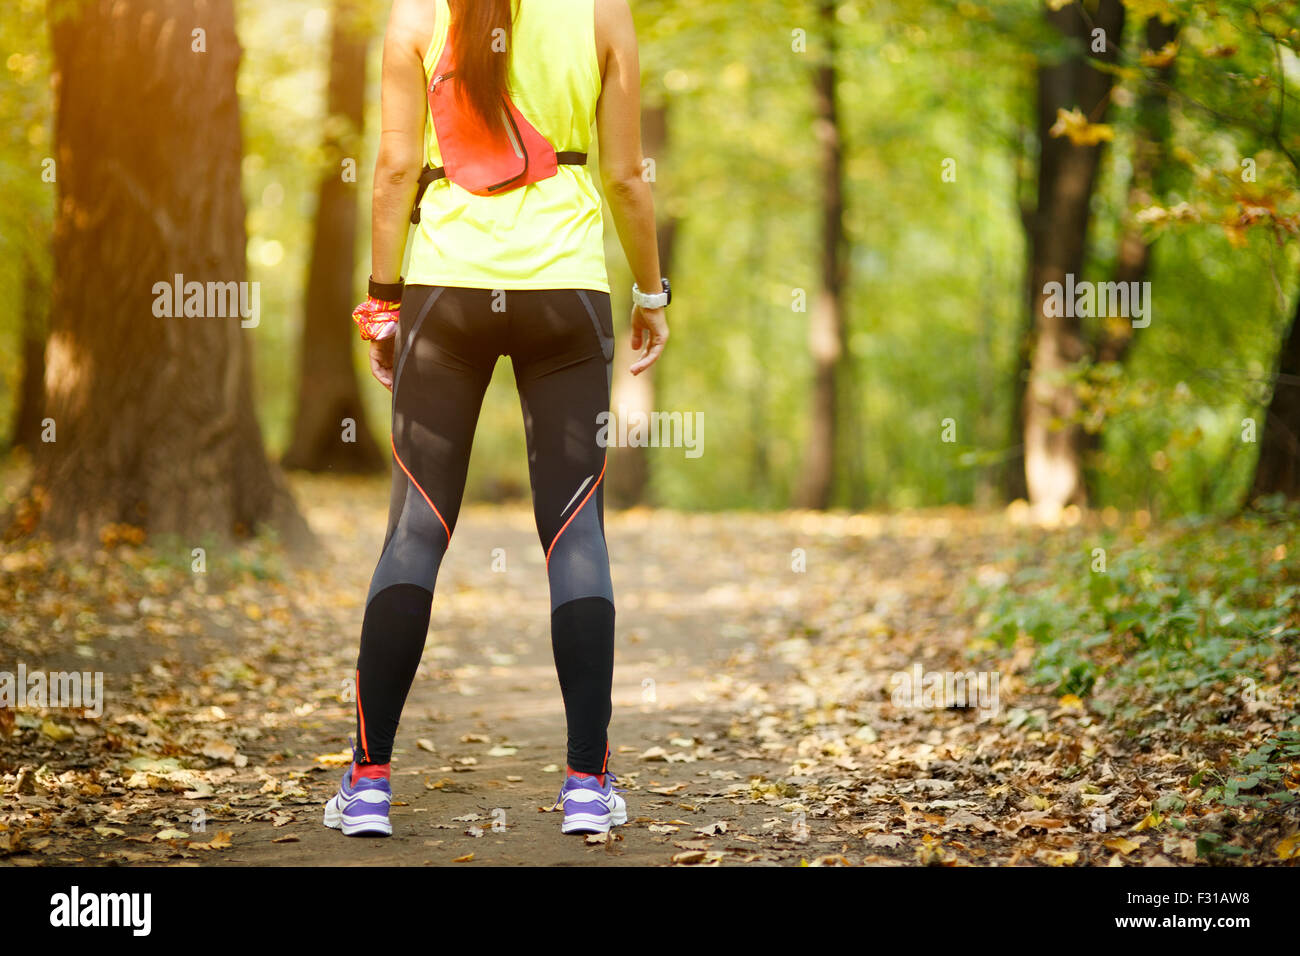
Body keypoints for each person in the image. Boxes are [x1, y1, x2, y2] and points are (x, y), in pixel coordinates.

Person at [323, 0, 670, 838]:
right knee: (575, 529)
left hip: (448, 294)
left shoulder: (414, 15)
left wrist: (382, 303)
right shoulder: (603, 13)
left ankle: (369, 783)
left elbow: (394, 170)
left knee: (414, 531)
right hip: (566, 293)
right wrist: (652, 293)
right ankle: (587, 783)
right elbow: (625, 176)